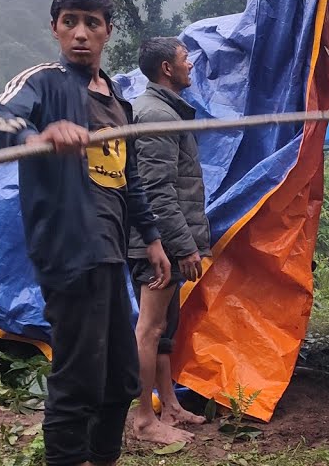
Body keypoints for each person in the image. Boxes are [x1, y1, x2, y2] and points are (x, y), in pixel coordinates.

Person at [0, 0, 171, 466]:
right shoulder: (44, 81)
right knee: (79, 377)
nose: (81, 33)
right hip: (68, 248)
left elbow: (128, 178)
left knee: (121, 376)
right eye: (70, 22)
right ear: (55, 29)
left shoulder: (118, 100)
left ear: (107, 32)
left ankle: (102, 457)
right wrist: (36, 134)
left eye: (92, 23)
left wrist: (152, 238)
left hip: (110, 249)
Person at [127, 36, 211, 444]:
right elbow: (157, 192)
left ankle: (170, 405)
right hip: (155, 245)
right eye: (184, 58)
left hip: (163, 243)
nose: (190, 64)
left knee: (164, 329)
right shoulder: (156, 116)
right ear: (166, 68)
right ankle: (144, 418)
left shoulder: (164, 110)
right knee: (150, 327)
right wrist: (183, 246)